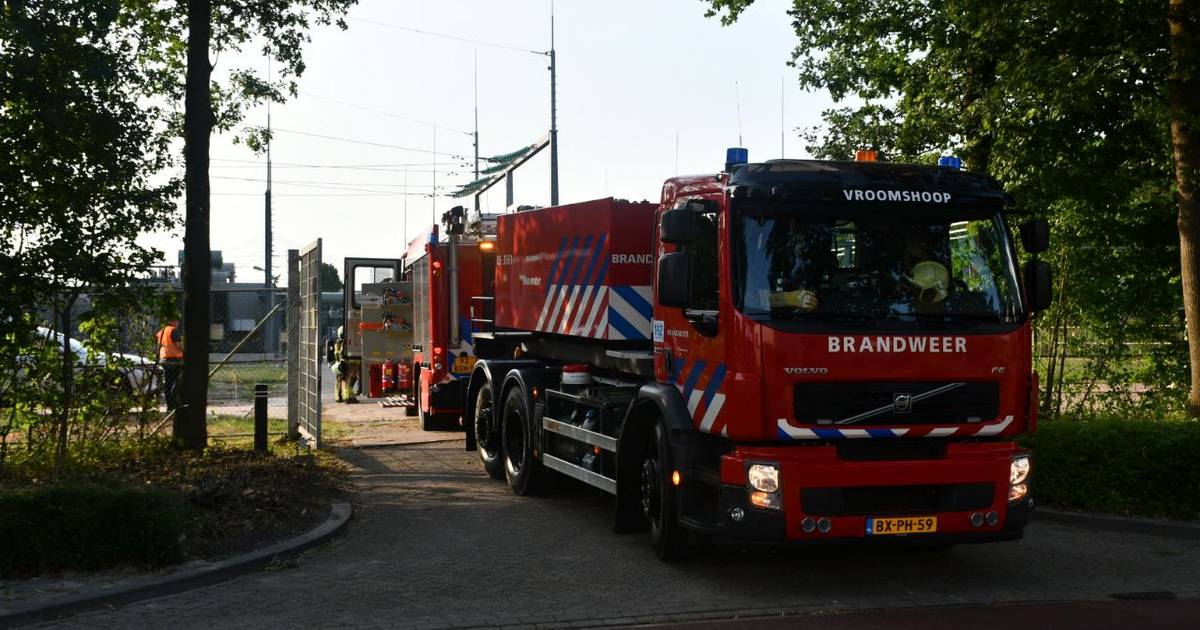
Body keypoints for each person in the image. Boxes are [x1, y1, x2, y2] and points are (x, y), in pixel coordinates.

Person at [156, 320, 183, 410]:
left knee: (168, 383)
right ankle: (175, 403)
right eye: (177, 320)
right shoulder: (173, 330)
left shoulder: (162, 331)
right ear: (173, 321)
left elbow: (159, 346)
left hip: (164, 359)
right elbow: (179, 345)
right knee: (177, 382)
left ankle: (170, 405)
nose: (178, 322)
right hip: (174, 359)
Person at [331, 326, 360, 403]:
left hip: (341, 363)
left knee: (340, 380)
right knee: (348, 380)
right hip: (348, 362)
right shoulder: (346, 342)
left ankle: (339, 397)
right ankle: (347, 397)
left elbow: (336, 354)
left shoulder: (338, 343)